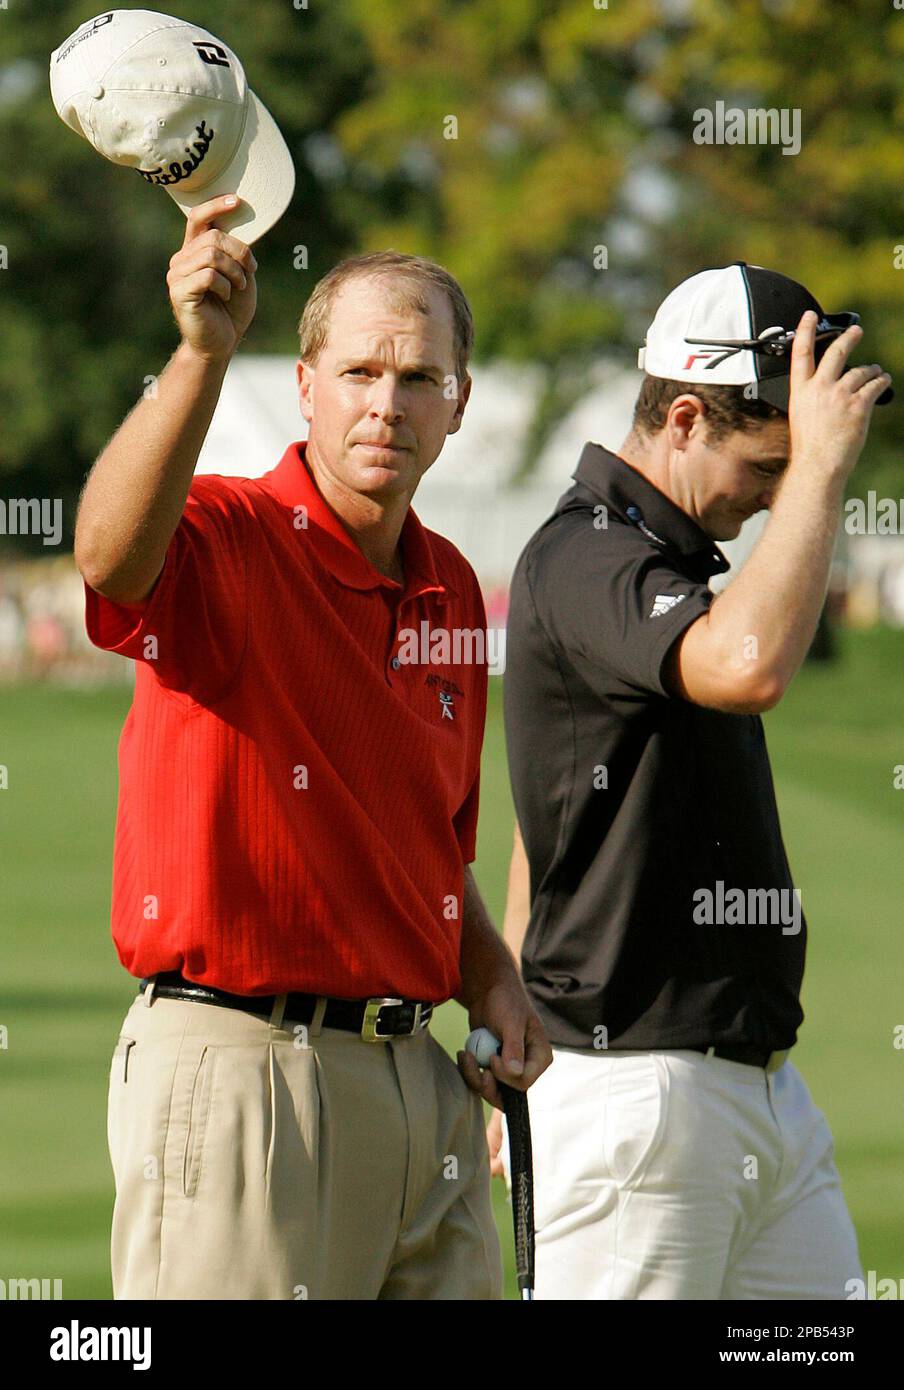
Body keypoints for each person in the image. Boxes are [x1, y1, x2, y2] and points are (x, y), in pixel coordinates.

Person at [75, 192, 550, 1300]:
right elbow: (106, 559)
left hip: (418, 1082)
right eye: (360, 373)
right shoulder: (230, 535)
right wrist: (198, 356)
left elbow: (428, 847)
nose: (388, 404)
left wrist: (490, 977)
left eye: (420, 378)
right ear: (304, 386)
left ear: (459, 404)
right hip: (244, 1069)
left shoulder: (448, 584)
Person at [493, 262, 891, 1300]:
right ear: (681, 415)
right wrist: (822, 475)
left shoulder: (664, 567)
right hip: (638, 1095)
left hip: (752, 1089)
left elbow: (546, 821)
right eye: (766, 464)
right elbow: (748, 665)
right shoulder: (586, 555)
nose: (771, 493)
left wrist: (510, 1000)